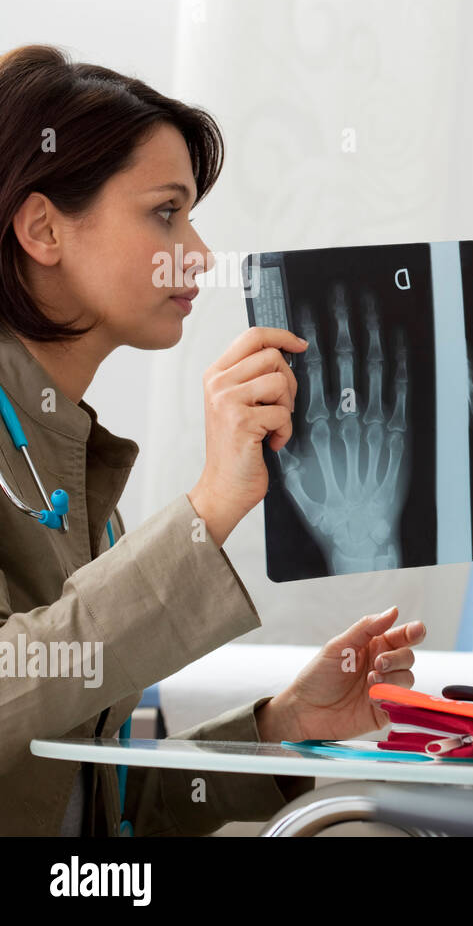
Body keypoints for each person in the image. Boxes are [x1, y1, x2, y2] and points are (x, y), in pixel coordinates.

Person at [0, 44, 425, 836]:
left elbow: (103, 805)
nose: (197, 253)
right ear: (42, 228)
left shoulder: (78, 465)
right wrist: (209, 508)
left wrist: (283, 726)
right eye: (166, 212)